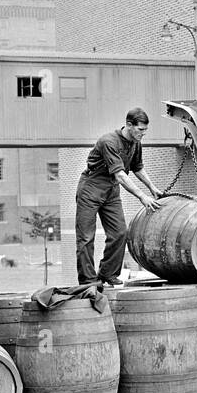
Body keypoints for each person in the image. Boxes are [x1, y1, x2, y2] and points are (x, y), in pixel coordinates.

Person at [75, 107, 163, 286]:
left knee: (119, 232)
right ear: (129, 125)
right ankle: (88, 281)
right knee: (86, 237)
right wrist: (142, 196)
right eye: (140, 130)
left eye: (145, 130)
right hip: (91, 187)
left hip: (111, 190)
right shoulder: (109, 141)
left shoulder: (136, 143)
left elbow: (137, 167)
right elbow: (121, 175)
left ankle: (107, 273)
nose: (143, 134)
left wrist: (152, 187)